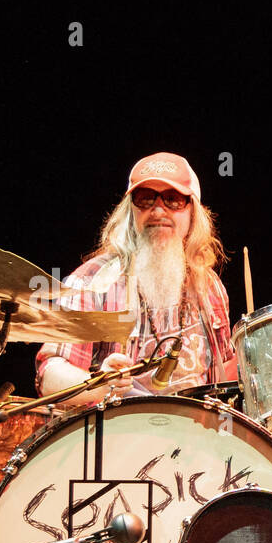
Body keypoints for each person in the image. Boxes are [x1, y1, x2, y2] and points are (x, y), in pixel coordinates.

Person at [36, 152, 237, 403]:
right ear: (130, 210)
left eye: (172, 199)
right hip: (121, 433)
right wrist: (101, 385)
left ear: (193, 213)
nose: (158, 210)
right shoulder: (93, 282)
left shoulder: (210, 287)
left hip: (197, 434)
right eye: (146, 199)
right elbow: (50, 379)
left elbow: (225, 377)